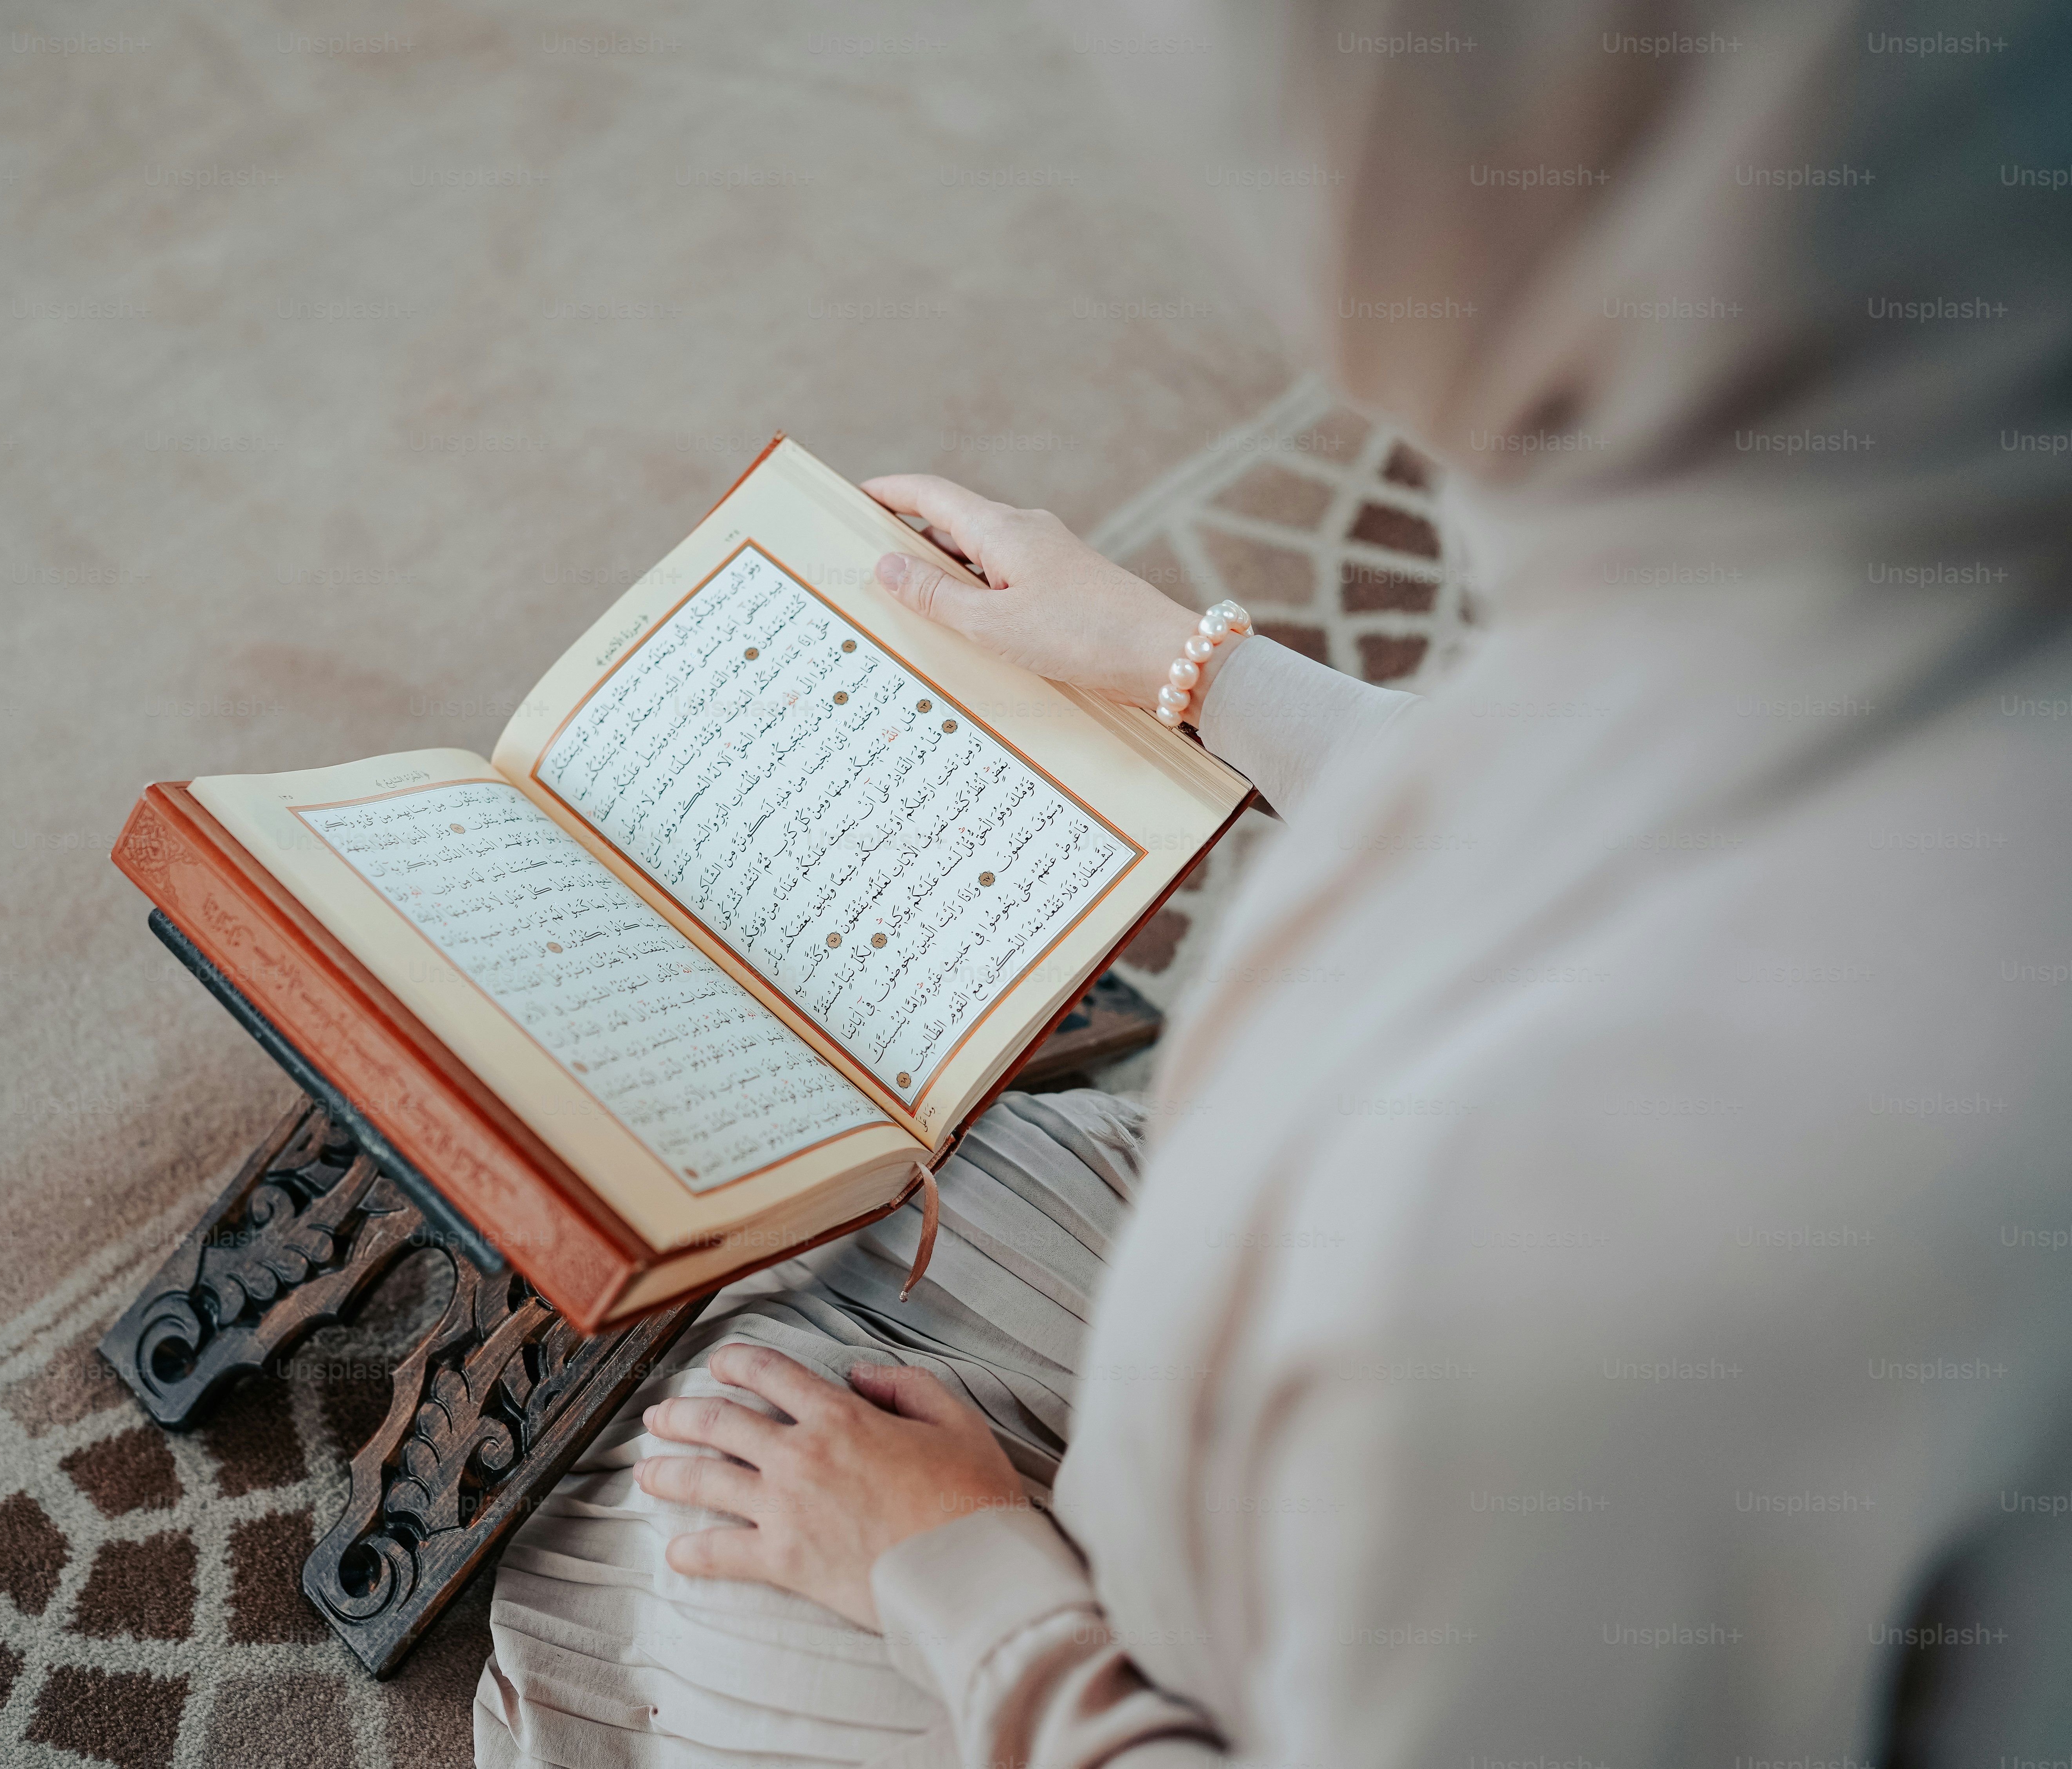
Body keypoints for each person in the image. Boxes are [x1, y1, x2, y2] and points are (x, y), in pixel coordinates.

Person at [476, 1, 2072, 1763]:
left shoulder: (1559, 1206)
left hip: (1257, 1640)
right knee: (871, 1198)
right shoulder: (1925, 545)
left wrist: (965, 1585)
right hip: (1352, 1440)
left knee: (707, 1458)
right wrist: (1181, 660)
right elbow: (1601, 792)